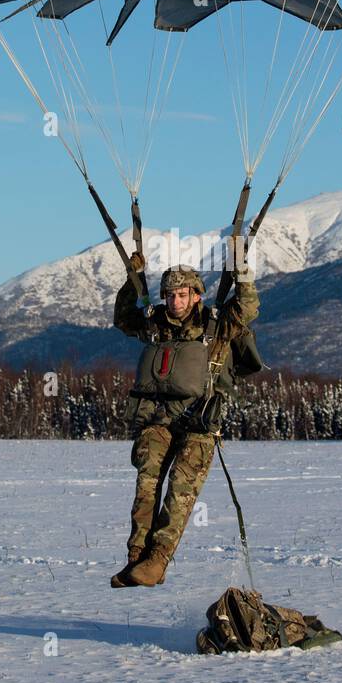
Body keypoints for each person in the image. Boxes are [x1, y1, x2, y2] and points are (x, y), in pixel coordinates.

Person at [109, 252, 259, 588]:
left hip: (199, 424)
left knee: (180, 490)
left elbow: (248, 307)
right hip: (158, 421)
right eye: (170, 295)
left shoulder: (218, 325)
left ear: (196, 294)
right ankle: (137, 556)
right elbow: (122, 319)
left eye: (182, 295)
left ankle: (158, 560)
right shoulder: (154, 324)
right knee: (146, 482)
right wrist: (130, 279)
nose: (175, 302)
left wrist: (240, 268)